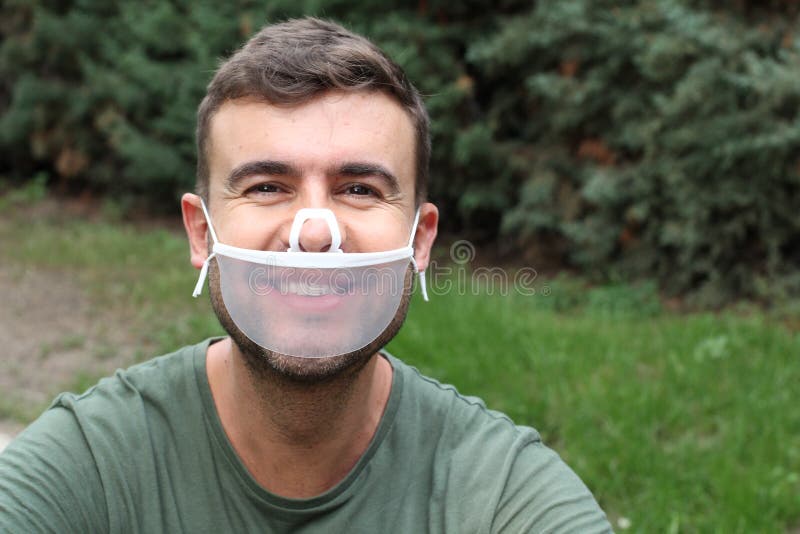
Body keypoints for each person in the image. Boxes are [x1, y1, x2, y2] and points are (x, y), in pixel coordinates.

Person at [0, 17, 612, 532]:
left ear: (420, 241)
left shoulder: (501, 495)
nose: (313, 232)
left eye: (358, 188)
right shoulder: (89, 466)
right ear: (201, 232)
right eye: (268, 186)